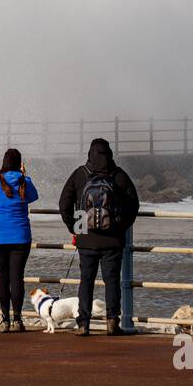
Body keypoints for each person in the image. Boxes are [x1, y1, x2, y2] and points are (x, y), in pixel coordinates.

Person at [59, 138, 139, 337]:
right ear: (109, 154)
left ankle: (83, 324)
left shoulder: (80, 174)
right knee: (112, 282)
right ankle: (112, 322)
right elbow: (133, 205)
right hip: (112, 240)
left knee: (86, 281)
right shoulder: (118, 175)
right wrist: (120, 226)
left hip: (86, 238)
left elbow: (64, 203)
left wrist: (76, 227)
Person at [0, 148, 39, 333]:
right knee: (17, 278)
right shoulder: (25, 183)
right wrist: (24, 175)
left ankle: (4, 320)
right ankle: (18, 320)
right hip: (20, 238)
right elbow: (33, 197)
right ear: (19, 164)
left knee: (2, 279)